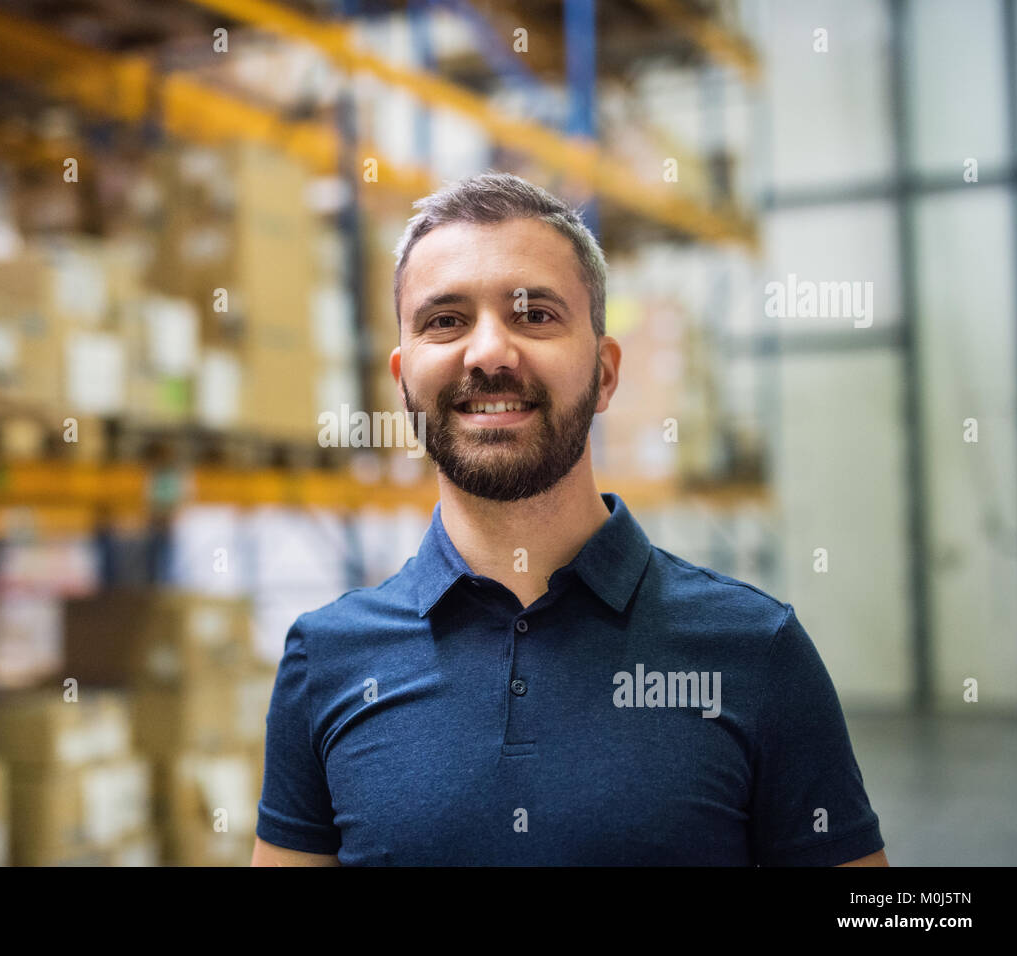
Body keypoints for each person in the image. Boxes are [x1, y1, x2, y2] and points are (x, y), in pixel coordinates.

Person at [251, 172, 888, 866]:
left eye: (535, 315)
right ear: (402, 379)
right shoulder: (327, 660)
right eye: (445, 320)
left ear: (606, 373)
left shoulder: (757, 652)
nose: (489, 351)